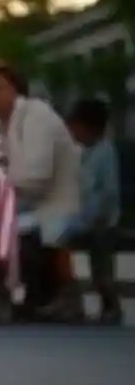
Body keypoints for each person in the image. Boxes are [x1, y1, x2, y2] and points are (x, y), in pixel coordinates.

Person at [0, 64, 81, 316]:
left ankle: (7, 291)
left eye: (4, 87)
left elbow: (37, 177)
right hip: (34, 202)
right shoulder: (10, 123)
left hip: (56, 204)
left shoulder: (36, 116)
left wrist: (3, 180)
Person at [61, 99, 123, 324]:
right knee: (51, 239)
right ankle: (67, 299)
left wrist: (99, 217)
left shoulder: (105, 152)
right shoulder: (74, 151)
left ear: (92, 129)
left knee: (101, 253)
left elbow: (108, 192)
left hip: (100, 220)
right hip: (76, 219)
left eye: (76, 127)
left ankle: (110, 302)